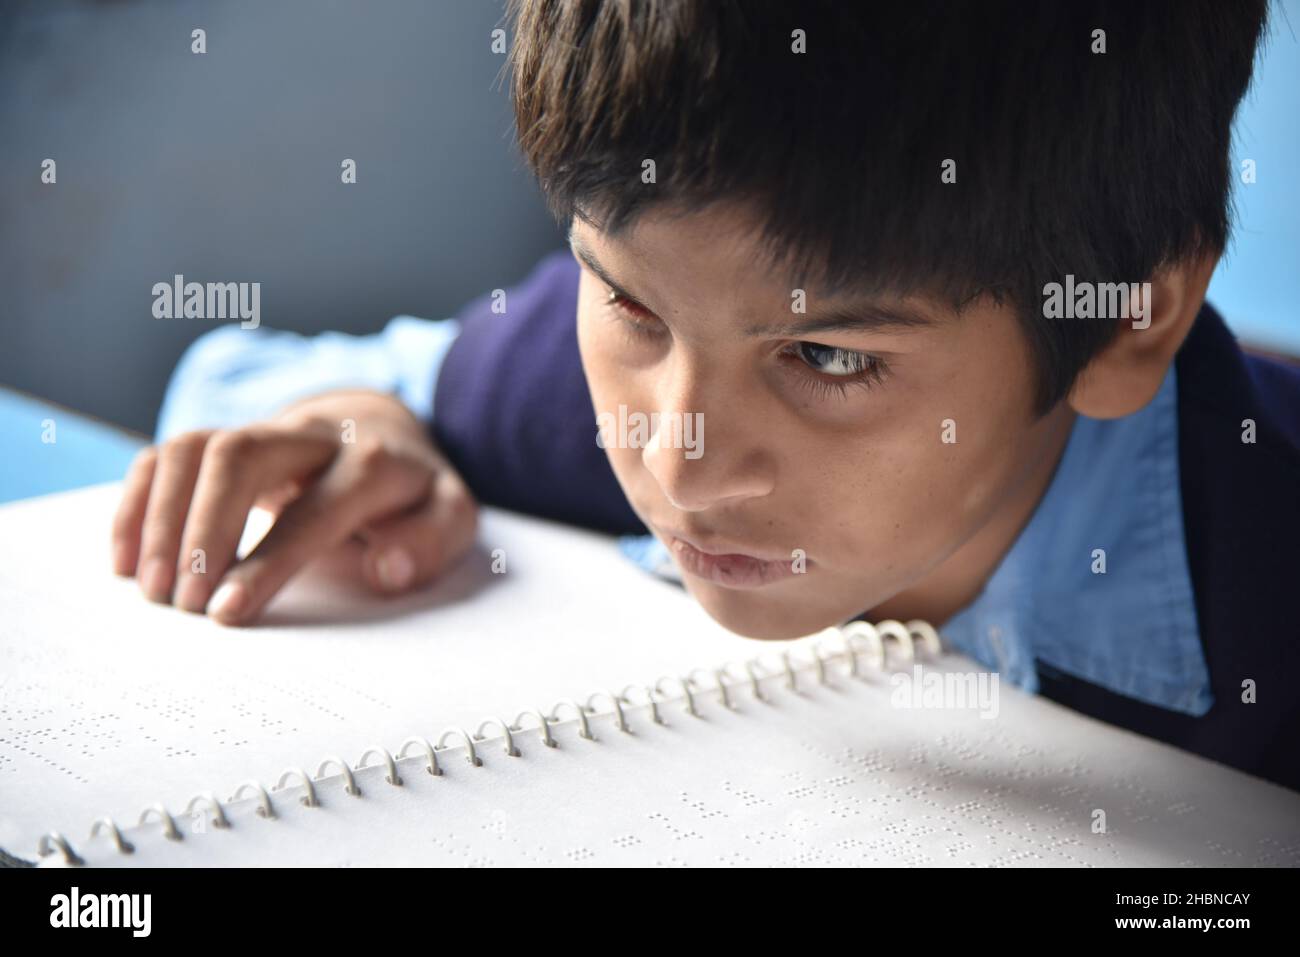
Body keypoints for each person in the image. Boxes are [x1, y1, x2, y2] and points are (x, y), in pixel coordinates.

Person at [113, 1, 1300, 790]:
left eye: (828, 358)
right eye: (628, 306)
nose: (676, 471)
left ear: (1123, 322)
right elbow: (264, 378)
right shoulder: (565, 386)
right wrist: (371, 429)